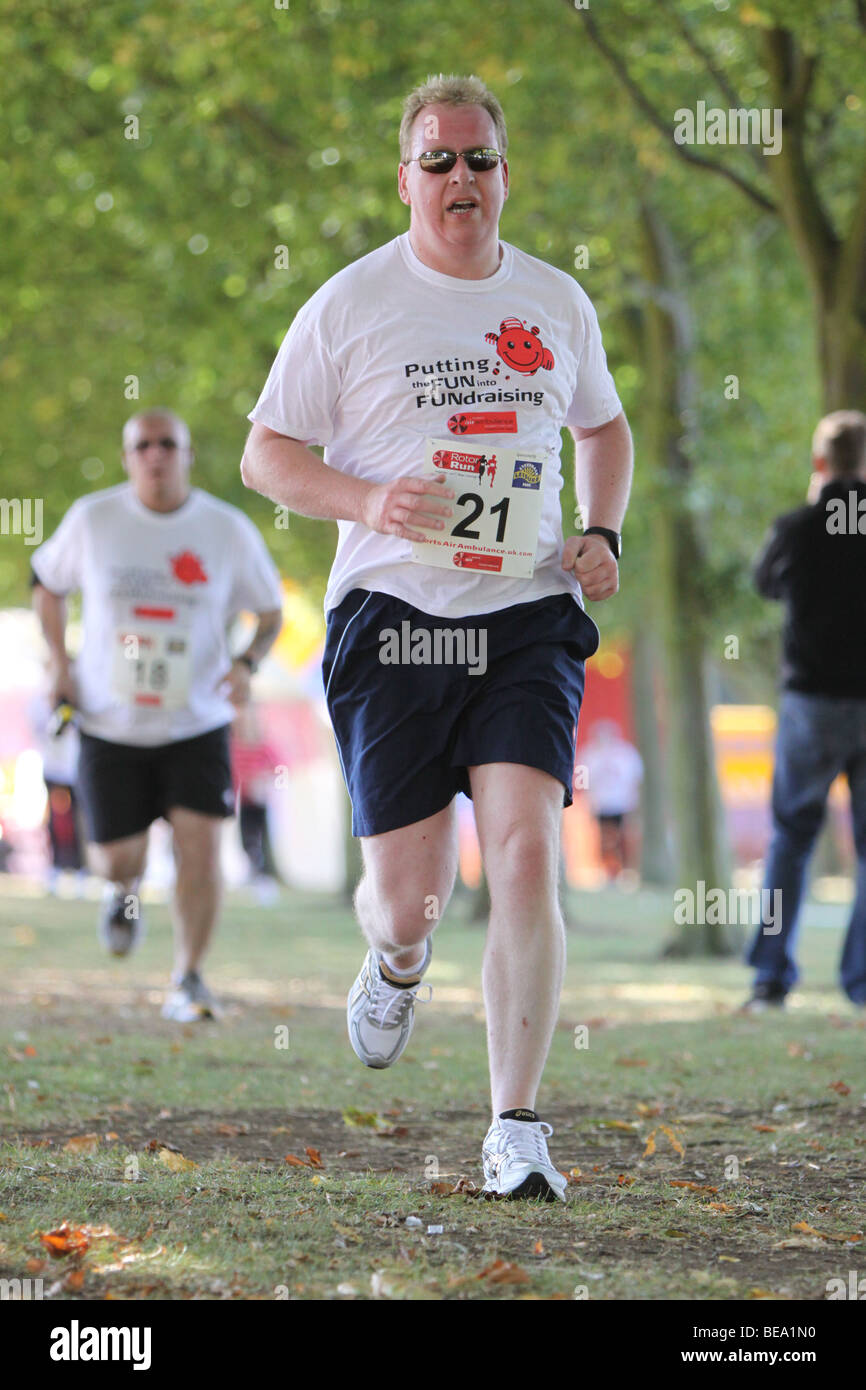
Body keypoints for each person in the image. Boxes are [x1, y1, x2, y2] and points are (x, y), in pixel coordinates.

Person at [242, 74, 632, 1199]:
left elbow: (602, 426)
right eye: (438, 160)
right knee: (408, 896)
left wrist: (600, 528)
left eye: (478, 159)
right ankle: (396, 962)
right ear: (404, 177)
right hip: (393, 621)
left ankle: (516, 1125)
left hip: (523, 617)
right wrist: (368, 501)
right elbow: (265, 455)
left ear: (505, 174)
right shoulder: (351, 301)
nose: (460, 177)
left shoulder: (557, 301)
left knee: (522, 852)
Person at [31, 409, 283, 1020]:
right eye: (141, 445)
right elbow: (46, 582)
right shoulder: (95, 519)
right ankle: (122, 892)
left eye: (167, 443)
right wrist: (59, 664)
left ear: (188, 454)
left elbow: (270, 611)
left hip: (195, 721)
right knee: (120, 857)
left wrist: (247, 663)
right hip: (108, 722)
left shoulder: (225, 529)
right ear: (126, 458)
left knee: (199, 848)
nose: (155, 455)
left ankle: (189, 976)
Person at [743, 410, 866, 1012]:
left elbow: (764, 584)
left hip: (811, 701)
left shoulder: (795, 526)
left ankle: (770, 976)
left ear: (821, 462)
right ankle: (861, 981)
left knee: (791, 839)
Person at [578, 719, 643, 881]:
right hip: (600, 804)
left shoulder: (626, 754)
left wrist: (633, 800)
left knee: (622, 837)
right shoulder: (588, 755)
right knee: (603, 838)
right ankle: (607, 870)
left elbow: (635, 779)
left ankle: (625, 870)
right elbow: (582, 781)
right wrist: (587, 801)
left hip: (621, 803)